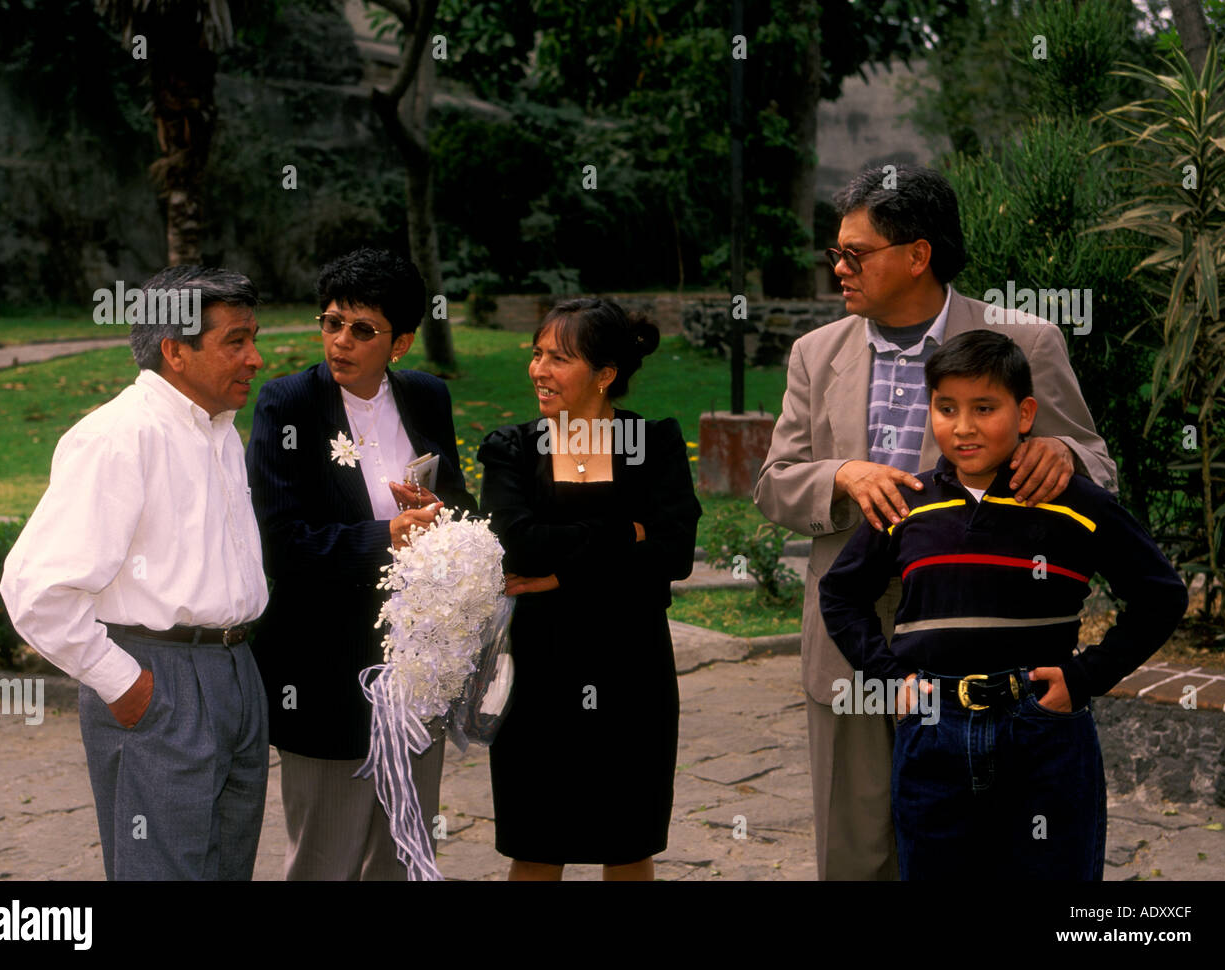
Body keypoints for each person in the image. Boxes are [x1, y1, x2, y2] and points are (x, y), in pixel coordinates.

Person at [752, 163, 1118, 880]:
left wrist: (1060, 455)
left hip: (977, 653)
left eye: (854, 254)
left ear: (917, 254)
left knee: (979, 857)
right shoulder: (814, 353)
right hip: (849, 646)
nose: (838, 269)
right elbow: (773, 484)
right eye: (835, 252)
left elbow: (1095, 463)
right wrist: (840, 477)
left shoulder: (1027, 340)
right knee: (856, 857)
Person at [817, 330, 1187, 879]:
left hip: (1042, 731)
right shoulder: (908, 504)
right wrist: (890, 675)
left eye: (984, 408)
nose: (963, 427)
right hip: (931, 732)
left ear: (1025, 412)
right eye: (946, 408)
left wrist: (1084, 678)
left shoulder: (1076, 502)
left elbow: (1161, 594)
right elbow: (841, 592)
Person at [0, 265, 270, 880]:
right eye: (236, 340)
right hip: (160, 678)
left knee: (228, 870)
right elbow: (34, 588)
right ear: (175, 351)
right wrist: (122, 683)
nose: (256, 358)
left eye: (253, 337)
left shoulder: (219, 429)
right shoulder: (118, 438)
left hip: (236, 674)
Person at [245, 247, 476, 881]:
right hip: (323, 669)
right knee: (325, 858)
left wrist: (437, 513)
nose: (340, 341)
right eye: (331, 322)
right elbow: (282, 543)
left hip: (416, 665)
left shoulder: (427, 397)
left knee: (401, 852)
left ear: (400, 343)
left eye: (362, 329)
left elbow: (461, 508)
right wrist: (387, 537)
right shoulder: (286, 405)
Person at [478, 297, 701, 881]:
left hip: (632, 670)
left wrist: (559, 574)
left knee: (628, 843)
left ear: (605, 375)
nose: (539, 370)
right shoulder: (512, 449)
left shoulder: (653, 444)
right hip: (539, 671)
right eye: (537, 354)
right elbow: (514, 546)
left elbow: (673, 554)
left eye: (559, 358)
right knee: (535, 844)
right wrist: (622, 532)